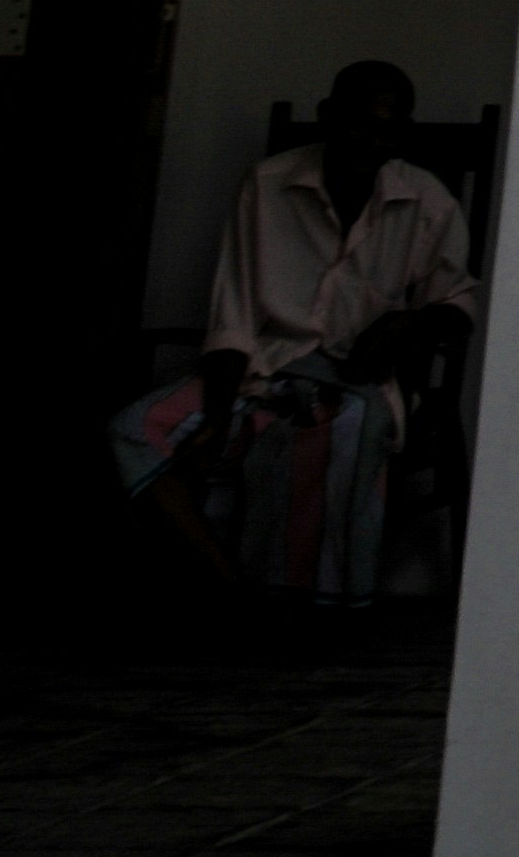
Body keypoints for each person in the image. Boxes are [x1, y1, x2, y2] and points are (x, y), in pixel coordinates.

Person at [109, 60, 482, 602]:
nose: (369, 143)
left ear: (401, 135)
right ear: (326, 118)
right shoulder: (268, 186)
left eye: (386, 131)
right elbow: (233, 315)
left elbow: (455, 305)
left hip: (357, 382)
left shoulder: (427, 203)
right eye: (357, 125)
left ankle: (317, 608)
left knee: (341, 432)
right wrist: (215, 413)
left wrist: (408, 323)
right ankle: (239, 592)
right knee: (135, 429)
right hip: (260, 372)